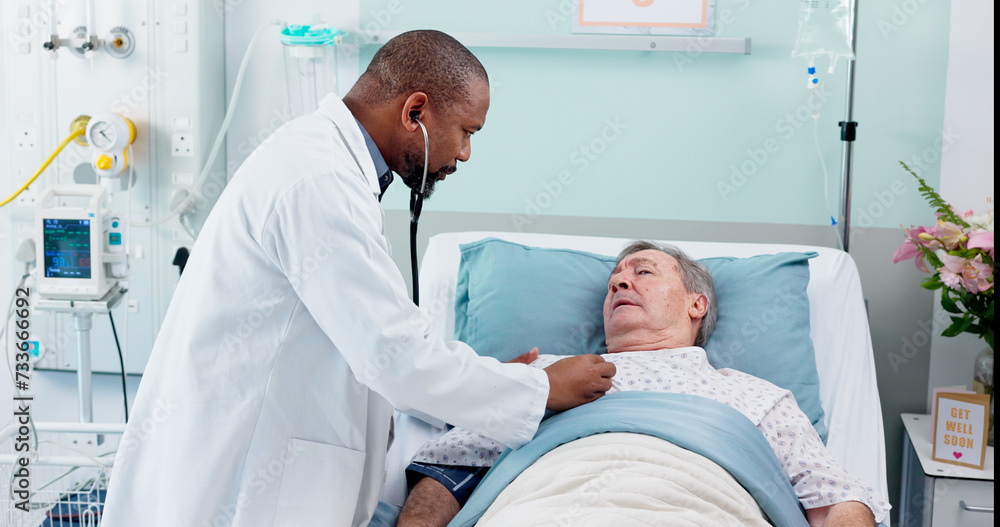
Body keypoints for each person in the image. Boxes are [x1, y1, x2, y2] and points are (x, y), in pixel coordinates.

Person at [101, 30, 615, 527]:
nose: (464, 154)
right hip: (241, 486)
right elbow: (396, 358)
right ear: (415, 112)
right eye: (466, 132)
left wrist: (496, 382)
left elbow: (381, 344)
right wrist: (537, 388)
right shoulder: (319, 181)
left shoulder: (331, 169)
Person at [397, 241, 889, 527]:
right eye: (614, 279)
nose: (618, 283)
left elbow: (836, 499)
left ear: (696, 304)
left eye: (643, 272)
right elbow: (451, 469)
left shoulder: (755, 395)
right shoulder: (543, 375)